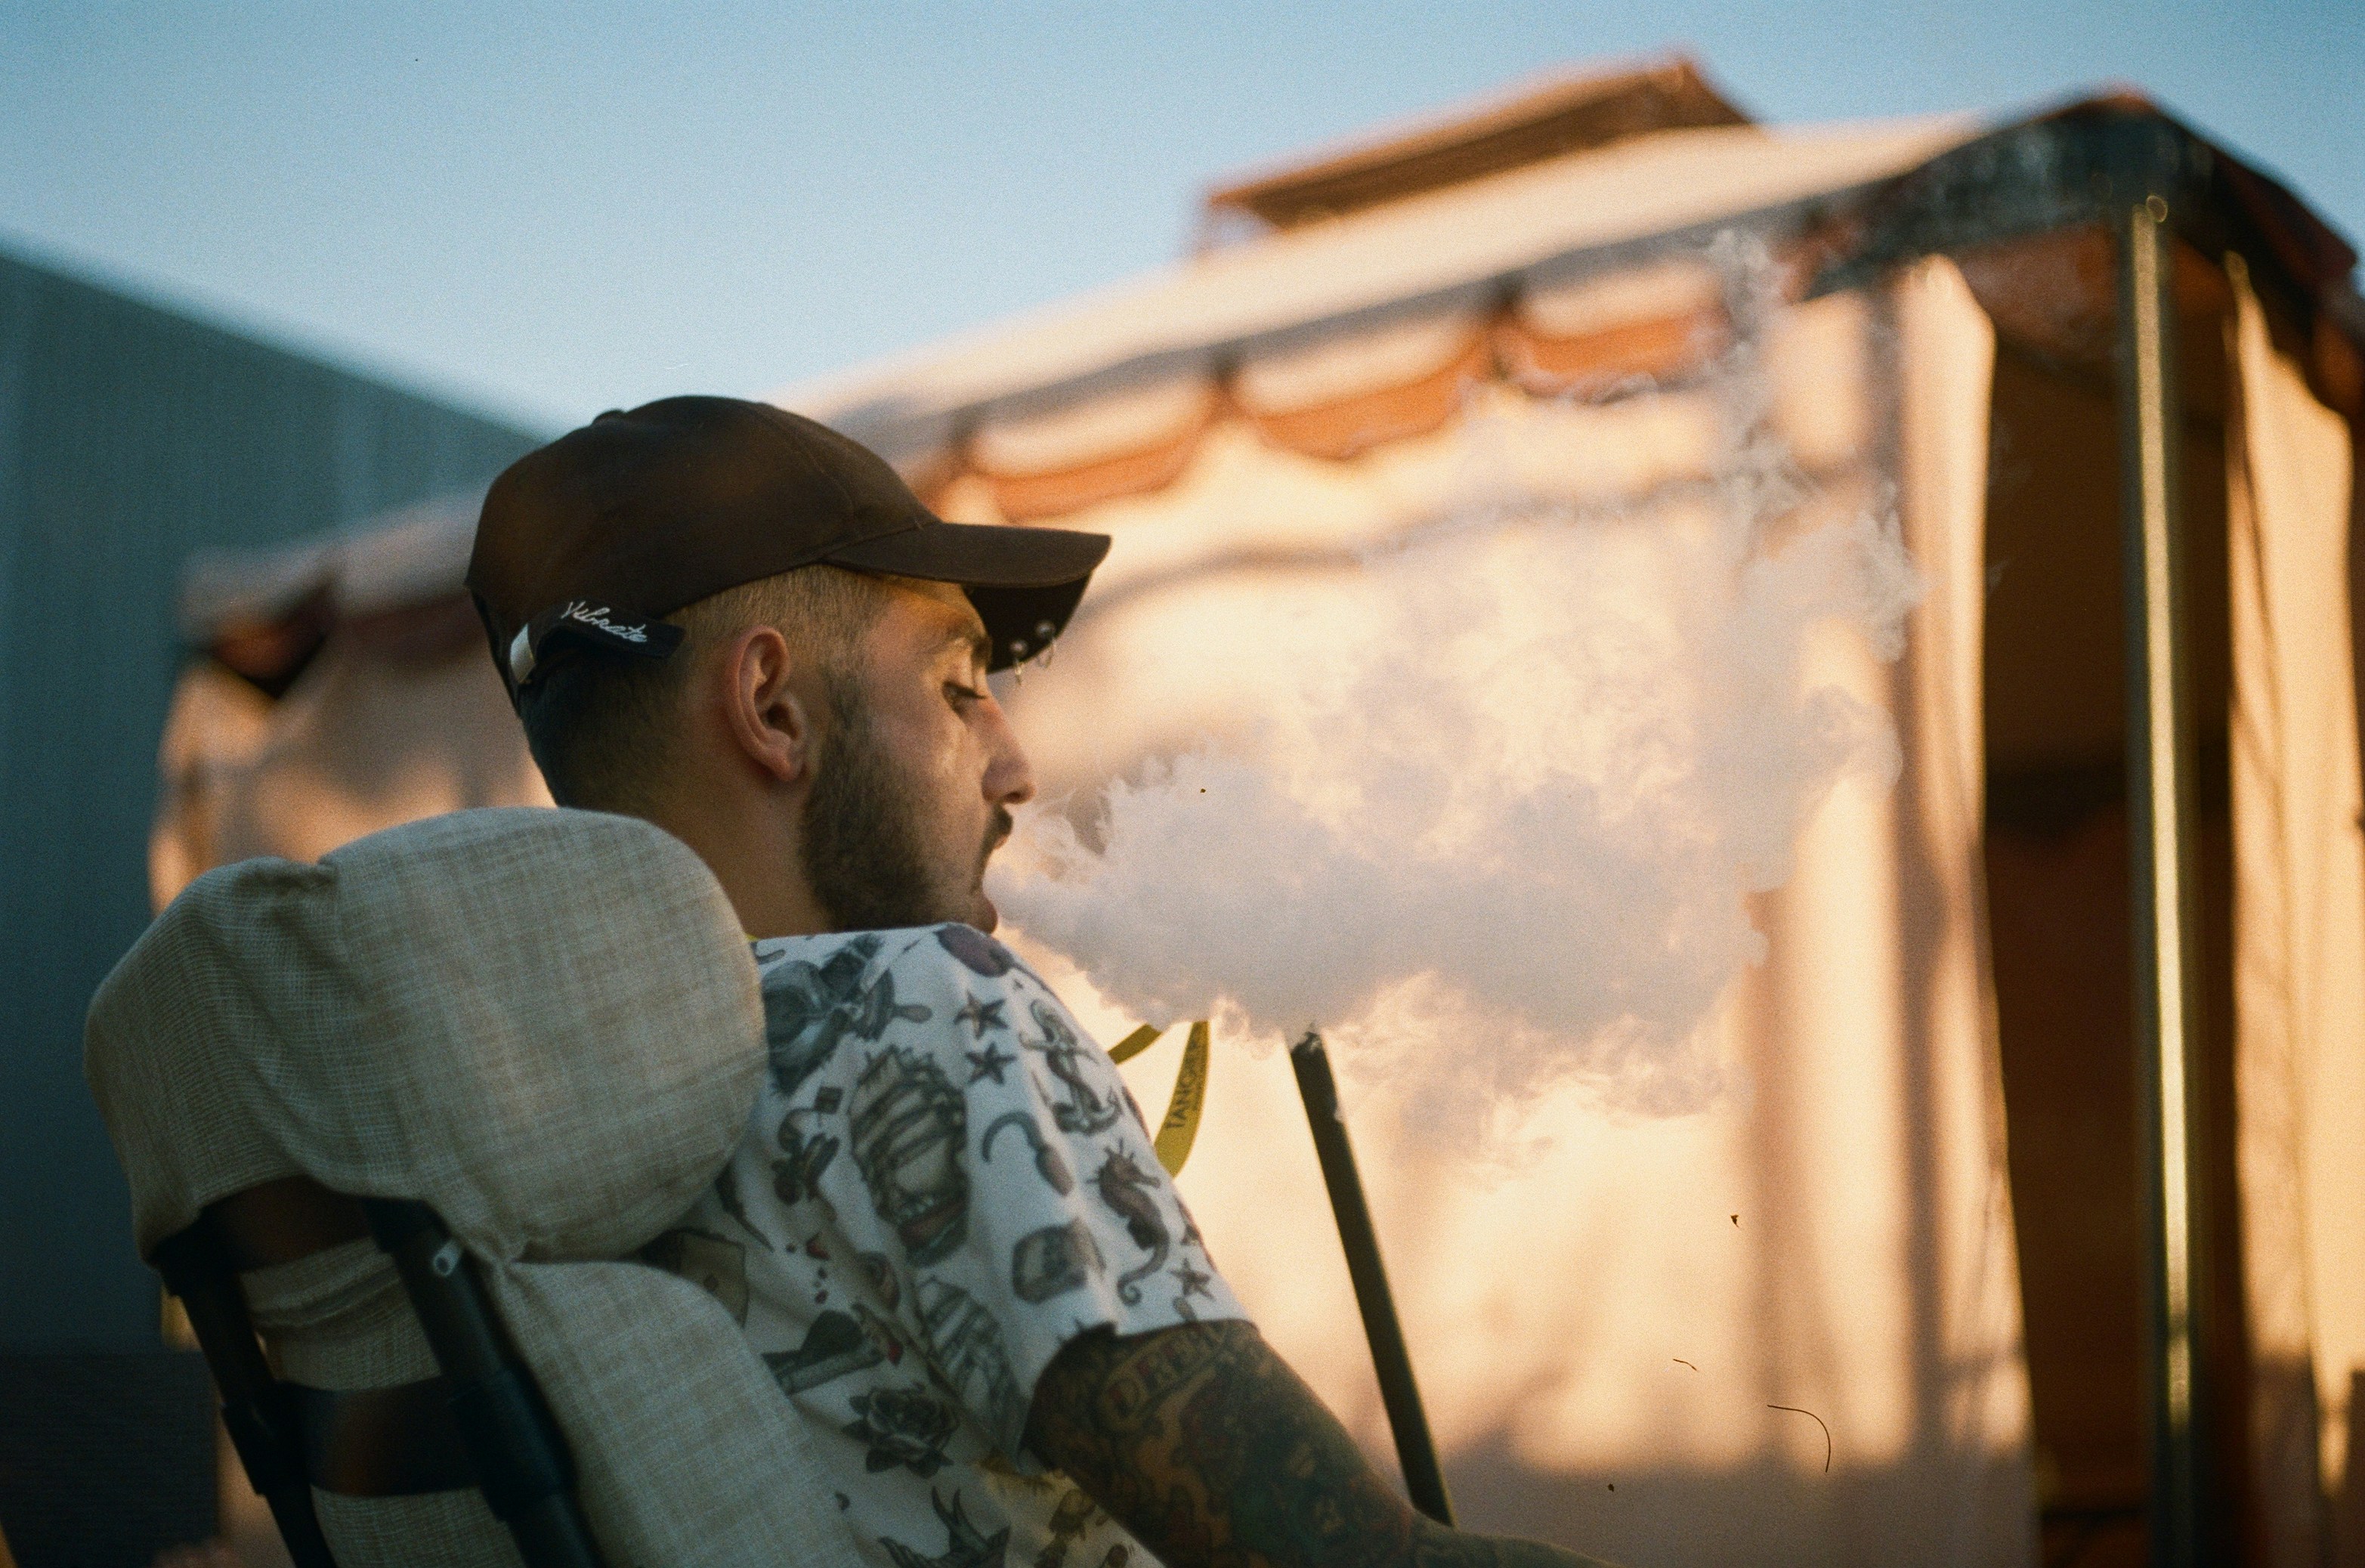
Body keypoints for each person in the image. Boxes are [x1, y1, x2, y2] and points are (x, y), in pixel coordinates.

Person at [466, 396, 1615, 1568]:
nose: (1014, 766)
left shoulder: (504, 1105)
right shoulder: (922, 1007)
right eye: (960, 685)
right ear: (773, 707)